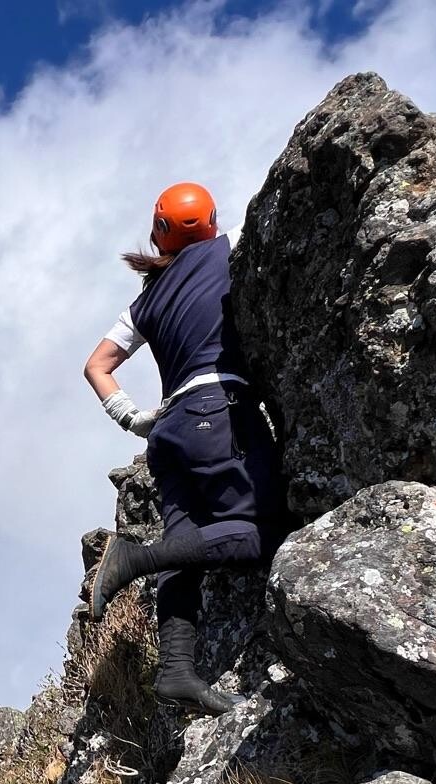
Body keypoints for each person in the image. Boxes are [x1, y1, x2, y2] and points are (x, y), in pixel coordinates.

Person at [82, 182, 284, 716]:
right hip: (216, 412)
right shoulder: (229, 245)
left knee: (186, 544)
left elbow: (96, 366)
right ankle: (134, 558)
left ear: (159, 234)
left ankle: (176, 670)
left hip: (169, 431)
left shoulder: (144, 302)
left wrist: (132, 418)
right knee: (263, 535)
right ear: (211, 222)